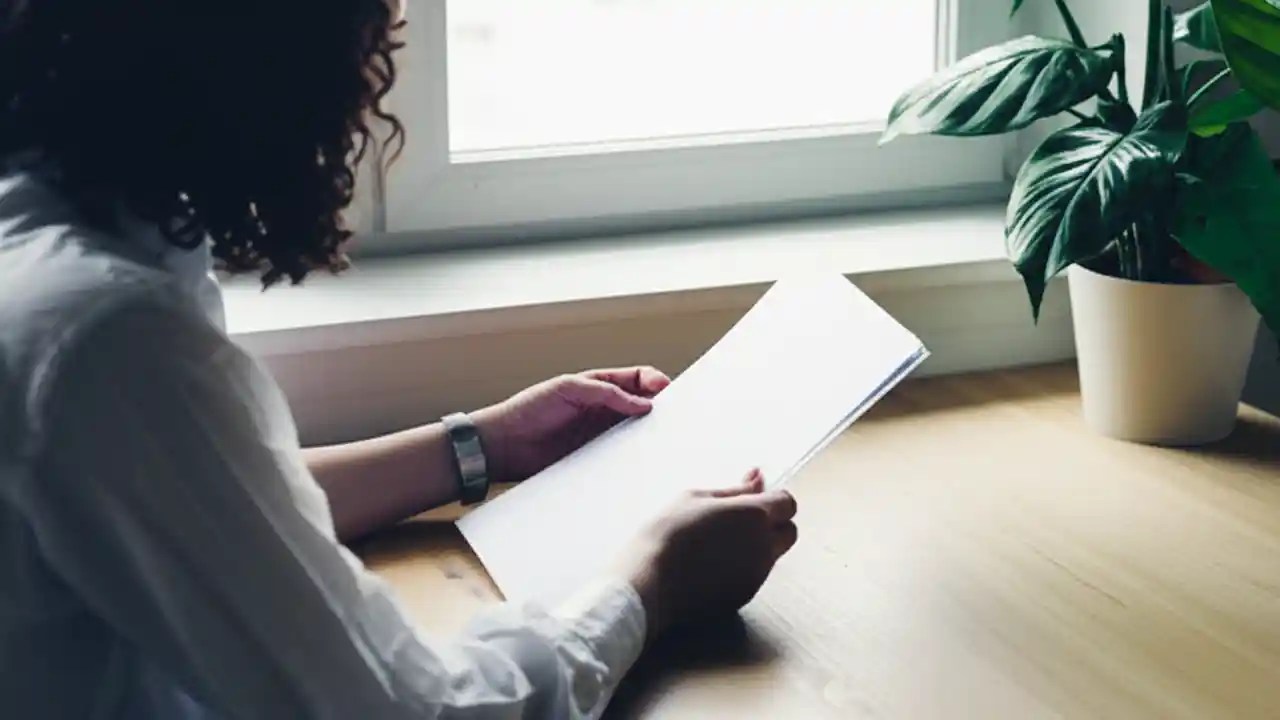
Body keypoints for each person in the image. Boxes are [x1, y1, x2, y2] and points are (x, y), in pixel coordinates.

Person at [0, 1, 800, 718]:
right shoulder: (107, 338)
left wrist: (480, 445)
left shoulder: (52, 254)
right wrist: (655, 580)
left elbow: (196, 501)